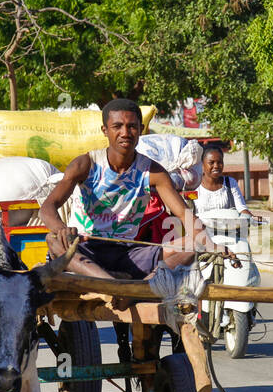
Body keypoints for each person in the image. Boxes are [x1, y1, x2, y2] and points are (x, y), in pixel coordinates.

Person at [39, 98, 231, 280]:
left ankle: (143, 285)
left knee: (193, 245)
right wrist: (61, 229)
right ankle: (117, 286)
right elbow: (48, 207)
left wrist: (213, 245)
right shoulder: (85, 164)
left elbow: (185, 215)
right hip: (86, 249)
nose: (125, 132)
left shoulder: (153, 171)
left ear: (141, 129)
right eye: (117, 126)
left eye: (132, 126)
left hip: (129, 253)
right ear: (105, 130)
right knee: (53, 240)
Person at [194, 144, 253, 217]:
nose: (216, 166)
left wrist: (250, 218)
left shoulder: (230, 183)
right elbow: (187, 213)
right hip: (200, 227)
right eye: (211, 163)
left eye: (219, 162)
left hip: (228, 227)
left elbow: (241, 208)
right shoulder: (194, 186)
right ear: (202, 164)